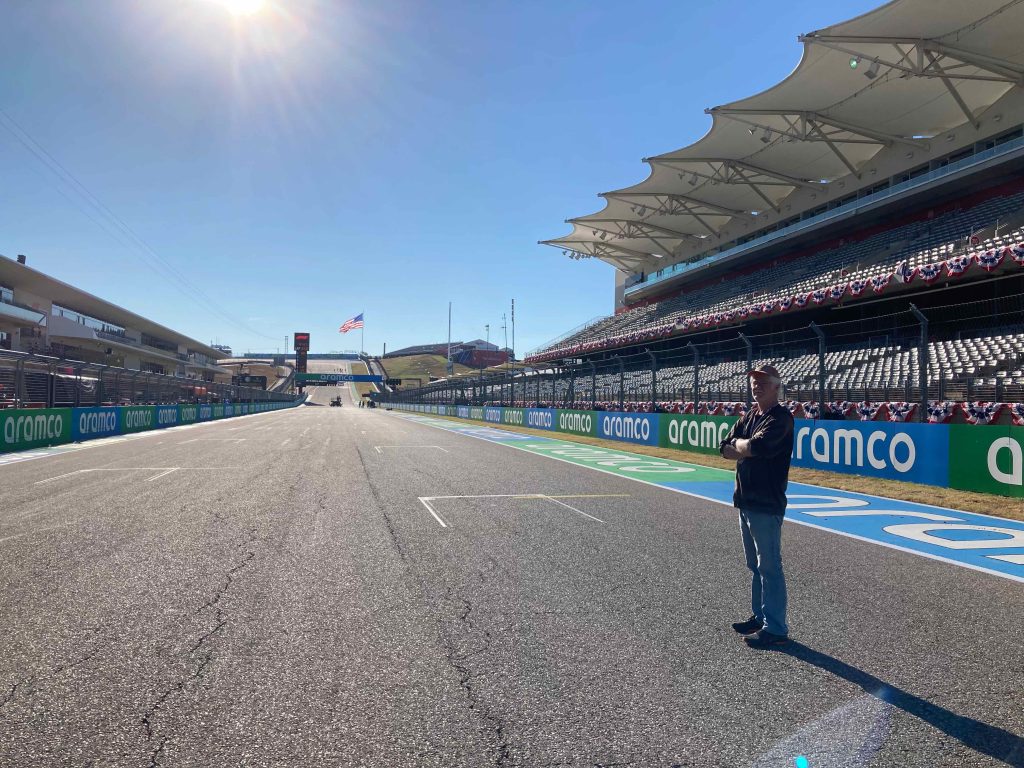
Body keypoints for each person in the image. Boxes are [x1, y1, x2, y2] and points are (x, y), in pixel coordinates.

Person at [719, 364, 795, 649]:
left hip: (766, 503)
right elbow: (724, 447)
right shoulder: (750, 415)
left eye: (763, 381)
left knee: (769, 566)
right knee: (755, 565)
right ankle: (760, 616)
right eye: (753, 380)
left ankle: (776, 627)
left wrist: (740, 446)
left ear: (776, 386)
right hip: (746, 500)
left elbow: (757, 449)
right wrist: (742, 445)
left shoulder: (781, 418)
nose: (756, 385)